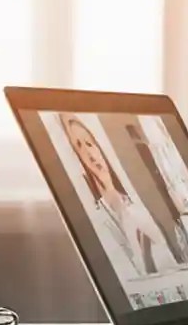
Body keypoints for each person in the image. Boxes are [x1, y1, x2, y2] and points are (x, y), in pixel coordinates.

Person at [59, 113, 181, 280]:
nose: (89, 154)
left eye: (90, 143)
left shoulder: (134, 204)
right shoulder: (100, 215)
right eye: (79, 147)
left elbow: (167, 265)